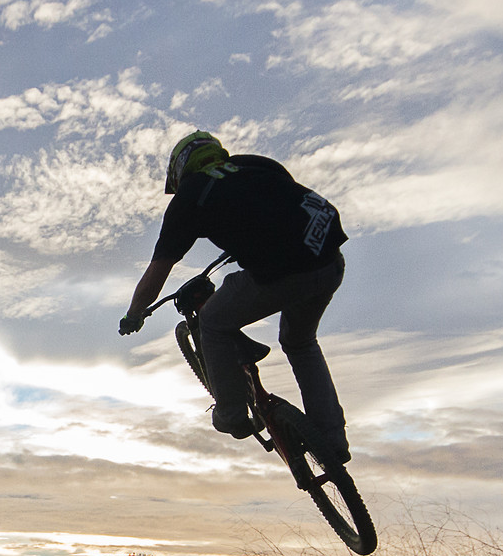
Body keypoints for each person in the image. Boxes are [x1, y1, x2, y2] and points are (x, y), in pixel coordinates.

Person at [118, 131, 351, 460]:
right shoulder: (255, 165)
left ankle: (231, 414)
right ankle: (332, 438)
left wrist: (135, 313)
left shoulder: (190, 195)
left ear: (181, 169)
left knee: (212, 320)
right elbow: (278, 207)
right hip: (329, 259)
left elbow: (157, 272)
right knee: (300, 342)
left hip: (287, 273)